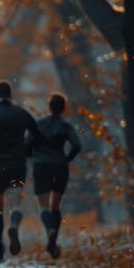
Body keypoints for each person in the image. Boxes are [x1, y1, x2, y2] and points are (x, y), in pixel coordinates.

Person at [0, 80, 43, 261]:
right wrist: (27, 148)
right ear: (10, 94)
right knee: (16, 202)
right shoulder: (22, 114)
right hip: (18, 164)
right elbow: (37, 134)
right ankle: (13, 225)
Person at [29, 93, 82, 259]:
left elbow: (27, 144)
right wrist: (66, 159)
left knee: (43, 206)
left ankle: (50, 231)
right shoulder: (65, 126)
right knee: (55, 206)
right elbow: (77, 145)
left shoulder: (38, 124)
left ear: (49, 106)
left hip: (41, 166)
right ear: (63, 108)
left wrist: (33, 155)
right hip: (59, 167)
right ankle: (54, 238)